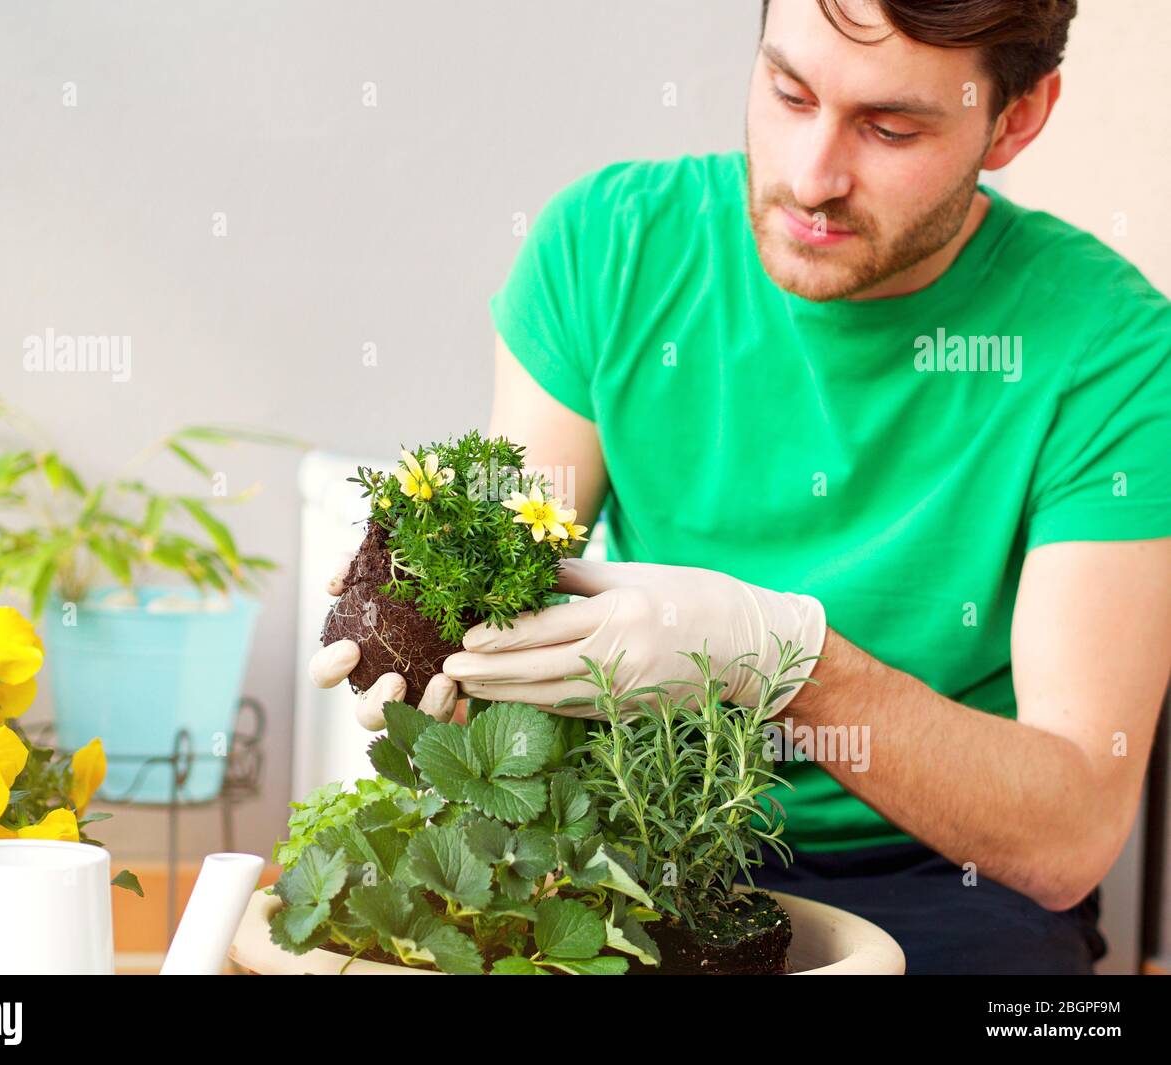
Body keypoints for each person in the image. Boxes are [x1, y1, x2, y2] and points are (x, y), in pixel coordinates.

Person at [311, 0, 1171, 974]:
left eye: (890, 128)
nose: (811, 178)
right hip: (636, 834)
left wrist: (788, 665)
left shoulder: (1110, 349)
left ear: (1015, 118)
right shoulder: (612, 247)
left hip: (939, 883)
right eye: (787, 91)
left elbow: (1065, 841)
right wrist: (426, 625)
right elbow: (513, 550)